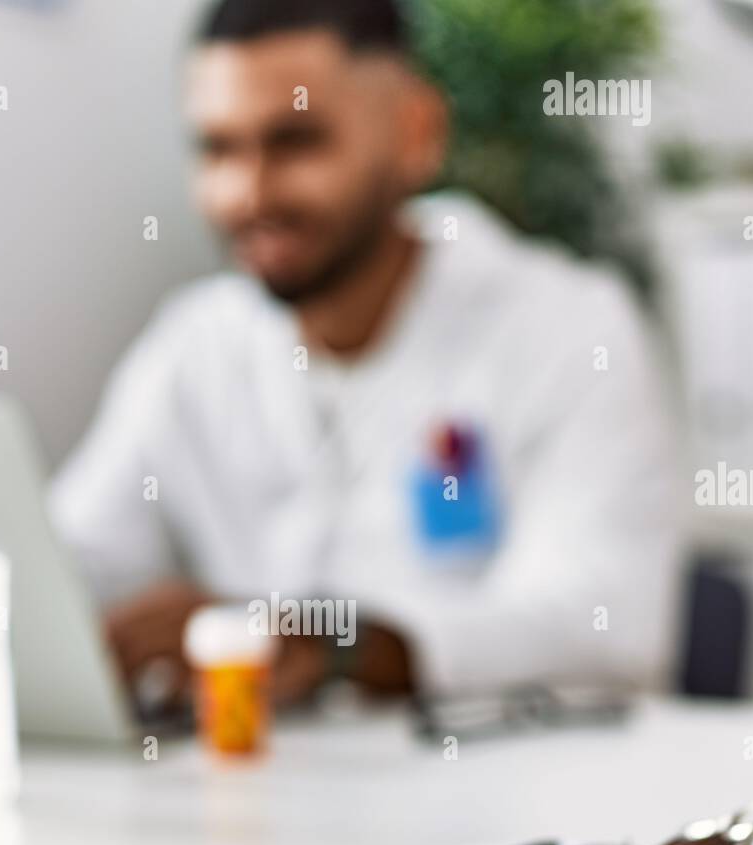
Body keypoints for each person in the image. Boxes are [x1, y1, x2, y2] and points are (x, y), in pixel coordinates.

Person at [50, 0, 680, 707]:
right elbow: (72, 563)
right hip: (257, 793)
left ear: (415, 132)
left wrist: (335, 642)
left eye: (297, 142)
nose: (250, 192)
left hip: (500, 791)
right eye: (219, 149)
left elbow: (603, 624)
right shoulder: (193, 346)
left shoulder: (568, 327)